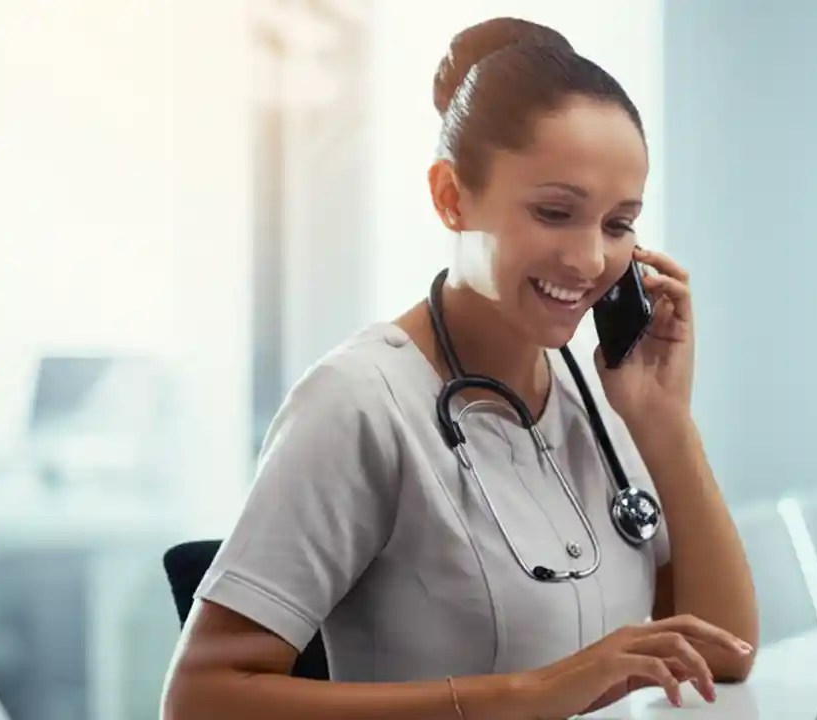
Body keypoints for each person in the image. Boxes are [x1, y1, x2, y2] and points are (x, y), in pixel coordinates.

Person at [161, 16, 757, 720]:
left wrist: (665, 421)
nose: (592, 260)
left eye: (618, 224)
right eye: (554, 211)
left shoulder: (599, 399)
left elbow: (724, 653)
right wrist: (534, 692)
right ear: (451, 196)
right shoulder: (359, 402)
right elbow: (199, 700)